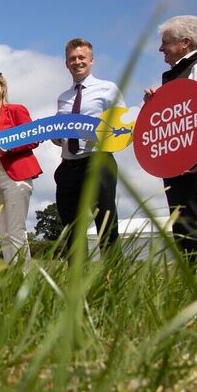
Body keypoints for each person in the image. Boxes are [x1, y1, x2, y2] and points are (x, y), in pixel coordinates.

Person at [145, 15, 197, 259]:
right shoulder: (178, 72)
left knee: (194, 222)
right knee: (182, 224)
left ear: (185, 43)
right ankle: (195, 279)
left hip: (192, 161)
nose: (161, 48)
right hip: (178, 160)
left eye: (166, 42)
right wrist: (154, 104)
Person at [54, 38, 123, 256]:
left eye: (81, 57)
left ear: (91, 60)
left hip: (98, 161)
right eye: (72, 59)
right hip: (68, 166)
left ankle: (112, 280)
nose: (77, 62)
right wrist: (57, 136)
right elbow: (59, 138)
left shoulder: (108, 89)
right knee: (72, 230)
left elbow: (120, 126)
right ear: (66, 64)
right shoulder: (63, 98)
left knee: (106, 224)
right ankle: (76, 283)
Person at [0, 72, 42, 264]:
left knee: (16, 230)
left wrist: (10, 147)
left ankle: (24, 279)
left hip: (15, 175)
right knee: (3, 232)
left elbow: (34, 138)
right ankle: (12, 278)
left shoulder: (16, 110)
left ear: (3, 88)